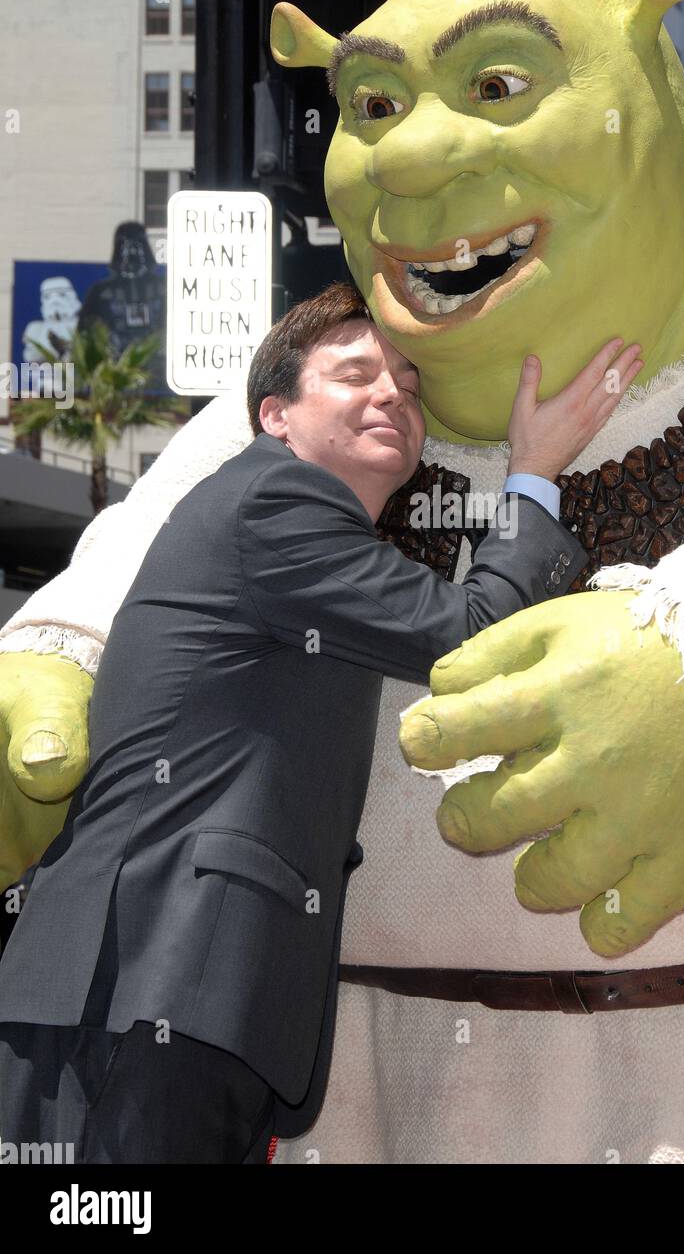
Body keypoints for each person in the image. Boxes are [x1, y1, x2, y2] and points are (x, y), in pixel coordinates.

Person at [0, 281, 642, 1164]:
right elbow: (472, 636)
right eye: (354, 374)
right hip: (142, 989)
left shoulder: (303, 532)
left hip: (179, 998)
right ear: (274, 414)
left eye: (412, 386)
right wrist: (534, 468)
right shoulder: (275, 503)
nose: (393, 394)